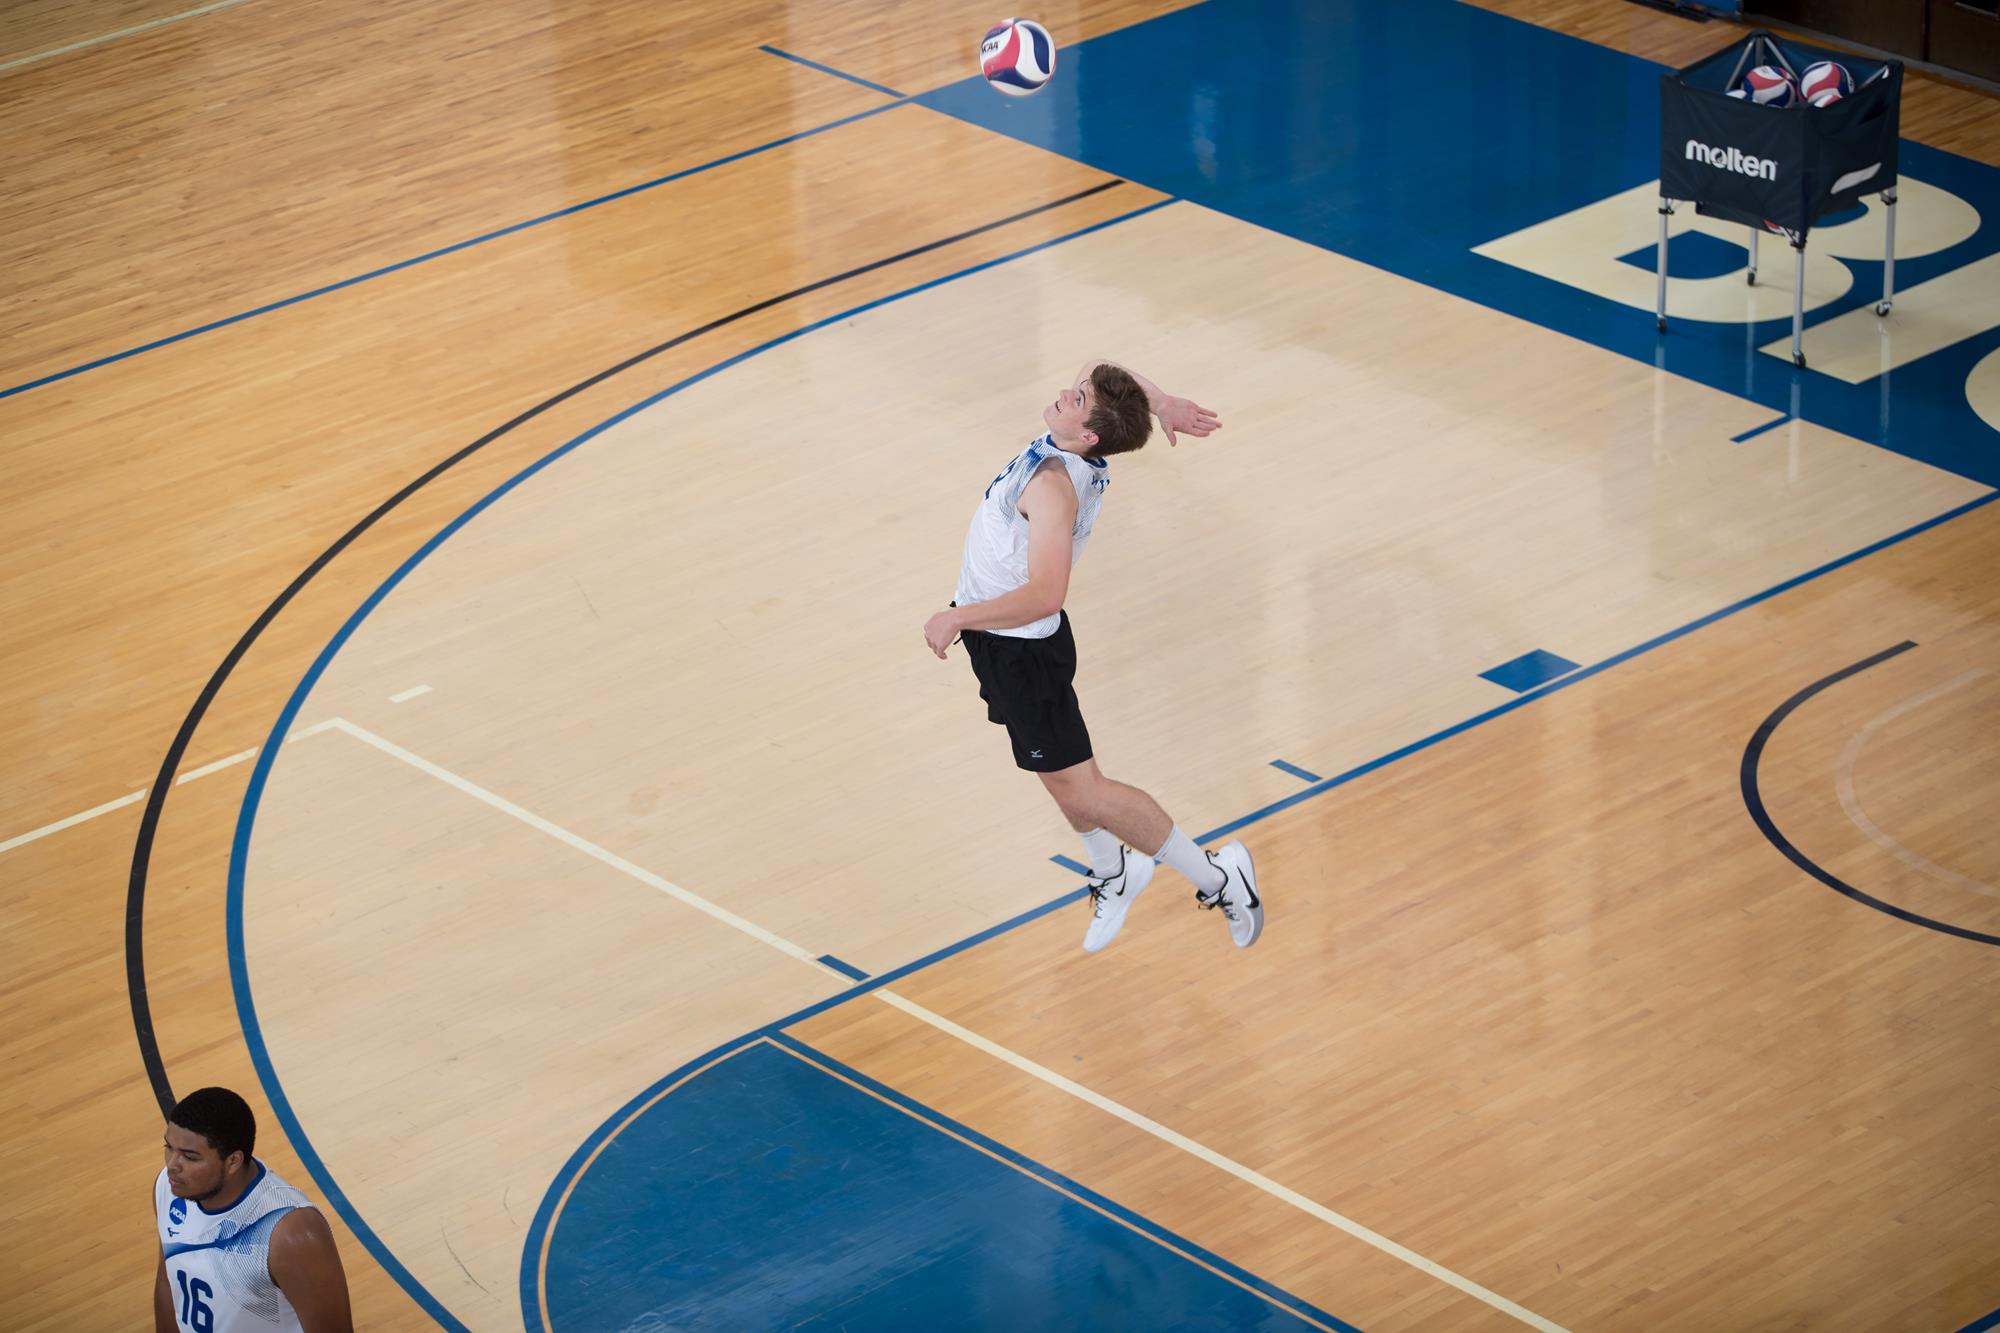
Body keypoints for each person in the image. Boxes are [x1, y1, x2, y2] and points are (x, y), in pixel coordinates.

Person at [924, 359, 1262, 954]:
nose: (1063, 392)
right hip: (1000, 643)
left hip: (1020, 649)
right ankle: (1114, 869)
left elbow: (1045, 595)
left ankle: (1218, 877)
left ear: (1090, 437)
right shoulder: (1071, 439)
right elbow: (1103, 368)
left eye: (1076, 399)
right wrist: (1162, 402)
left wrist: (956, 616)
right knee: (1053, 774)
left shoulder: (1053, 490)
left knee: (1088, 792)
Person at [154, 1086, 352, 1333]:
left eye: (190, 1157)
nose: (172, 1165)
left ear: (233, 1161)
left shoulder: (289, 1232)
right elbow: (167, 1283)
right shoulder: (169, 1187)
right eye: (169, 1147)